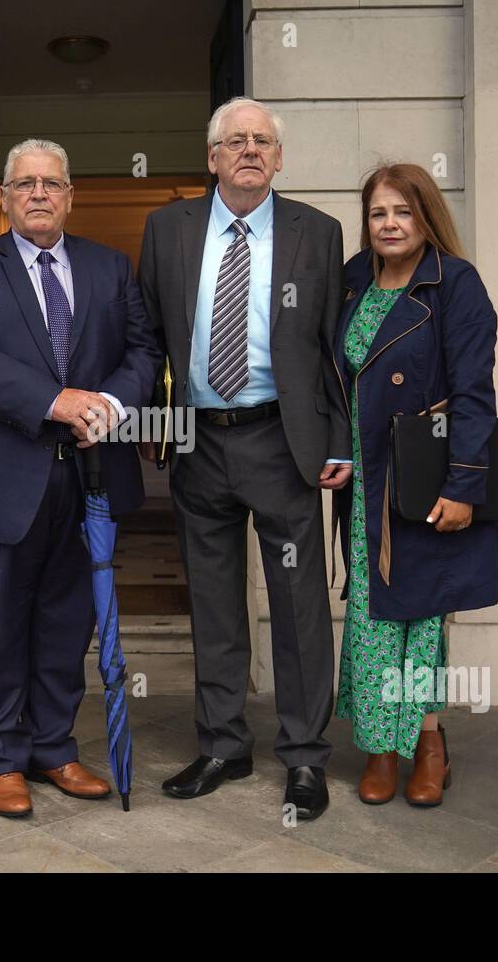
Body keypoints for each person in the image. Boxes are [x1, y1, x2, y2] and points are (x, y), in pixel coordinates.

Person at [0, 139, 162, 818]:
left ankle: (54, 746)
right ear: (2, 196)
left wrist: (110, 405)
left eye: (51, 183)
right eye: (24, 183)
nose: (37, 194)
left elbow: (144, 351)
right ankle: (1, 759)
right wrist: (53, 401)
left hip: (87, 479)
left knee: (67, 620)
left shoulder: (110, 268)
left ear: (69, 195)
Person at [138, 97, 350, 821]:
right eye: (235, 141)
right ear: (212, 157)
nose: (250, 151)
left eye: (262, 141)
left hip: (281, 439)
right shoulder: (167, 229)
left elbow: (336, 352)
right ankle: (225, 744)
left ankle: (303, 756)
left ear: (279, 158)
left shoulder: (317, 234)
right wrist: (140, 419)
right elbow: (145, 334)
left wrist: (341, 443)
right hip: (199, 438)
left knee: (296, 603)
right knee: (214, 598)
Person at [333, 162, 498, 807]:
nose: (389, 224)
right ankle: (379, 748)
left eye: (402, 212)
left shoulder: (455, 284)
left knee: (421, 616)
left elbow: (474, 394)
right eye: (378, 213)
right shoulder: (352, 280)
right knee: (374, 614)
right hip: (363, 472)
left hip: (424, 473)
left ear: (425, 217)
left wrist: (463, 484)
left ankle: (428, 742)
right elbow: (333, 376)